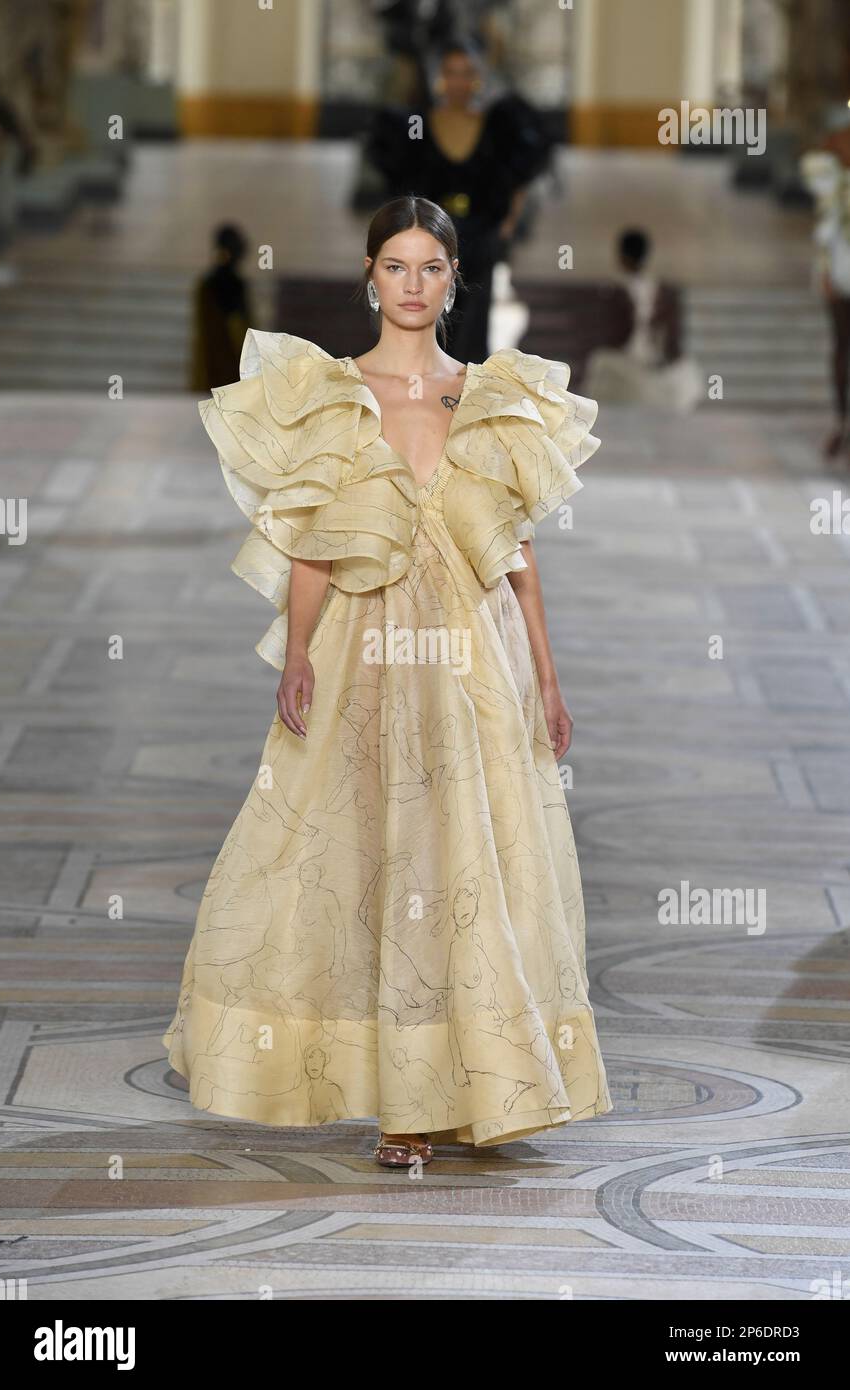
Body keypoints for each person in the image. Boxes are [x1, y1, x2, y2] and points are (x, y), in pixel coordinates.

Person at [161, 194, 613, 1167]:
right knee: (362, 860)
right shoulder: (331, 393)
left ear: (454, 280)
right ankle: (401, 1104)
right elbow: (314, 543)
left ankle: (467, 1081)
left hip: (469, 658)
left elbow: (518, 553)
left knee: (467, 866)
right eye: (395, 266)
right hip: (365, 652)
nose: (412, 285)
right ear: (370, 274)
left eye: (430, 267)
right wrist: (294, 656)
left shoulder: (493, 396)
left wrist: (546, 676)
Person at [364, 40, 551, 362]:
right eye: (451, 72)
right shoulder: (416, 126)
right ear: (440, 79)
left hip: (479, 238)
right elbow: (401, 180)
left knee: (474, 323)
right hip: (429, 241)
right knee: (424, 314)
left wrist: (508, 220)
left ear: (477, 79)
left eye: (466, 73)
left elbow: (516, 174)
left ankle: (463, 392)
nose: (458, 81)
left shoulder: (496, 128)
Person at [583, 227, 702, 415]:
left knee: (599, 367)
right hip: (640, 366)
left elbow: (613, 334)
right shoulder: (657, 290)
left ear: (621, 256)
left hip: (635, 366)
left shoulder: (615, 292)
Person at [800, 123, 850, 459]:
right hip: (842, 270)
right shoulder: (832, 182)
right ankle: (841, 422)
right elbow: (826, 229)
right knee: (841, 346)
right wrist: (826, 275)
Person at [188, 223, 254, 392]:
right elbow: (240, 327)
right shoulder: (229, 284)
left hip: (214, 365)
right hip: (227, 364)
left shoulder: (208, 283)